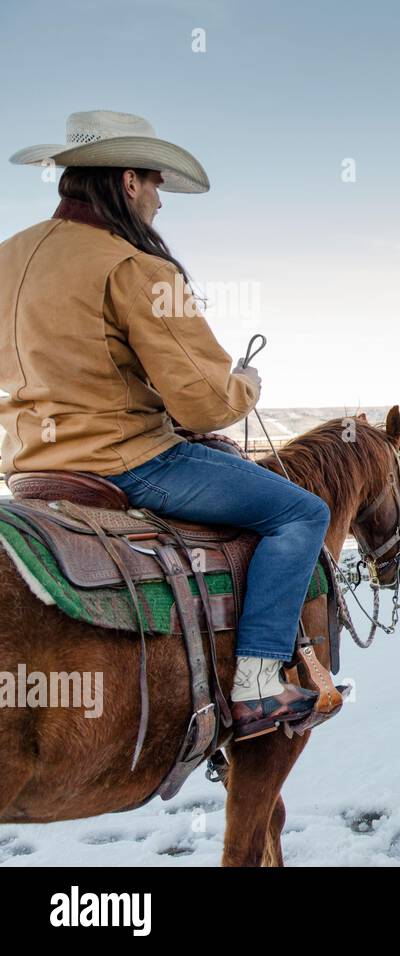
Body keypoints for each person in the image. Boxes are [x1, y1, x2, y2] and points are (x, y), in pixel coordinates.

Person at [1, 111, 328, 741]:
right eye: (154, 183)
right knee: (301, 513)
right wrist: (246, 384)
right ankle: (258, 683)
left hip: (31, 467)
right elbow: (204, 405)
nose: (159, 200)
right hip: (128, 460)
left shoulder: (10, 255)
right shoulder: (135, 267)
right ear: (128, 180)